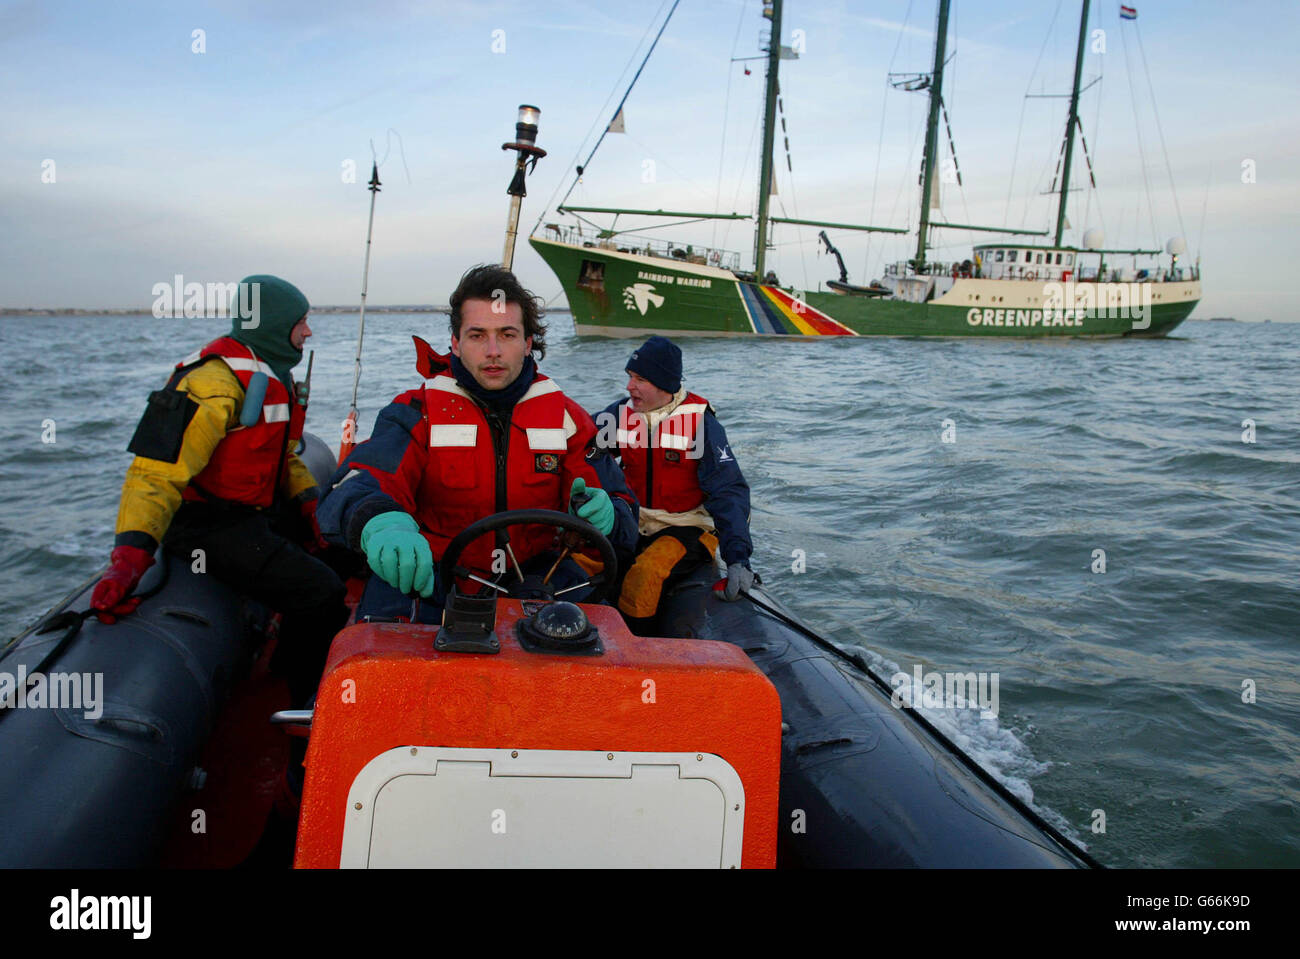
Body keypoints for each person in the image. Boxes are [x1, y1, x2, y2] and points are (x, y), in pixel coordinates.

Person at [318, 264, 637, 622]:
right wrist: (379, 520)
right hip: (432, 575)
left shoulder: (568, 420)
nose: (493, 350)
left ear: (528, 342)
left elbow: (623, 510)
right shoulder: (415, 412)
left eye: (507, 334)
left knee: (601, 645)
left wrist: (610, 514)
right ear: (455, 342)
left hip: (538, 575)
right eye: (477, 335)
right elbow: (356, 481)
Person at [90, 275, 347, 707]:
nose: (308, 331)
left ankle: (286, 661)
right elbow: (154, 474)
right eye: (300, 322)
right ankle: (308, 705)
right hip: (206, 525)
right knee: (321, 591)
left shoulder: (269, 374)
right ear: (272, 324)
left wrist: (307, 503)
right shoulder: (212, 383)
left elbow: (284, 458)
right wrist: (129, 558)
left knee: (335, 554)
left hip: (250, 510)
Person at [596, 335, 753, 631]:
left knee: (646, 574)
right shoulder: (620, 415)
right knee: (583, 560)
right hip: (633, 519)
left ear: (664, 385)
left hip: (686, 527)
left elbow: (728, 489)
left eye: (640, 379)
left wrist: (738, 558)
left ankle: (635, 648)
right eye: (630, 376)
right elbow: (584, 449)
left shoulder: (700, 423)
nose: (630, 386)